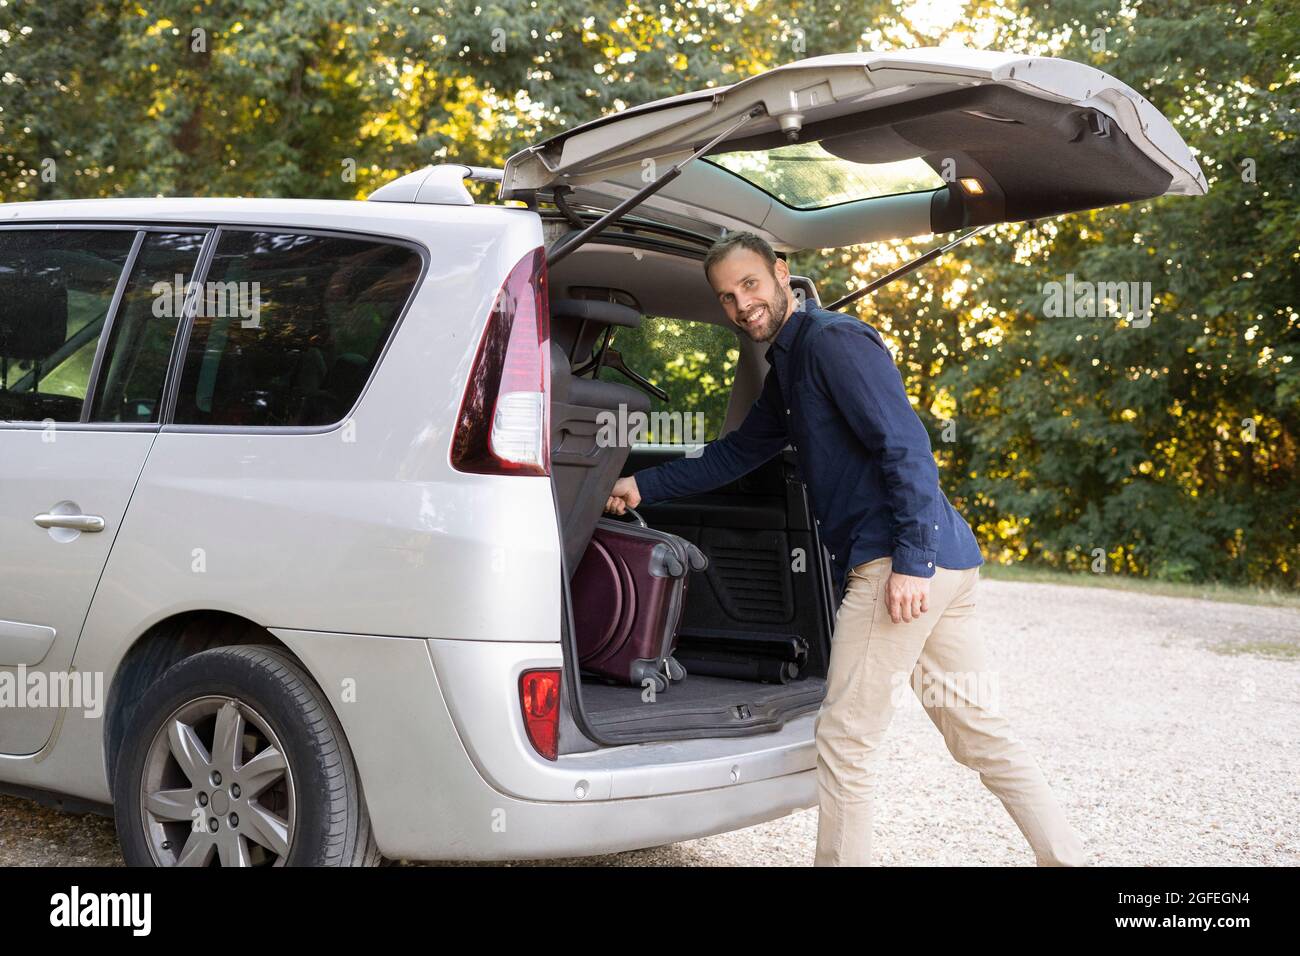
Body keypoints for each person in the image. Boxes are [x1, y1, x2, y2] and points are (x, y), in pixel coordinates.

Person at [604, 232, 1086, 867]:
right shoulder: (789, 366)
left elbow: (906, 446)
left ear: (781, 272)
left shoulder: (833, 342)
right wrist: (642, 485)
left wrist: (911, 562)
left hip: (901, 564)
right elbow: (736, 454)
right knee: (979, 735)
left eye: (750, 284)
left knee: (844, 741)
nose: (742, 304)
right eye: (726, 296)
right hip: (941, 565)